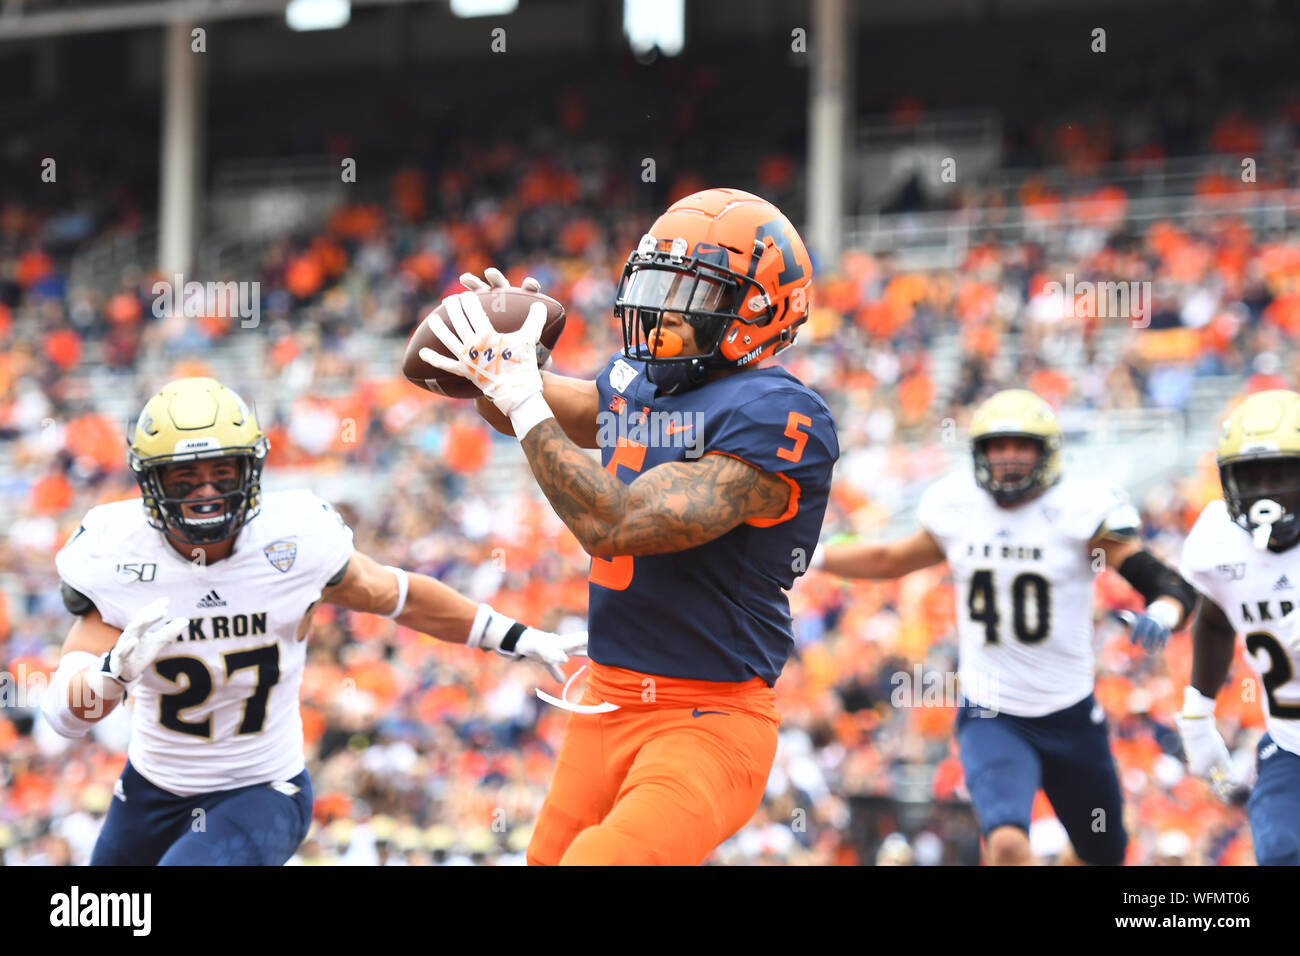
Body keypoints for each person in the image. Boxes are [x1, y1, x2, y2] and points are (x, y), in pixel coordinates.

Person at [421, 187, 839, 865]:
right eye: (661, 283)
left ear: (757, 313)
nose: (665, 308)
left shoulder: (775, 415)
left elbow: (613, 523)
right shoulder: (641, 384)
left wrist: (521, 394)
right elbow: (519, 409)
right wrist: (500, 361)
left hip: (707, 720)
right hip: (608, 704)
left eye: (694, 294)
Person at [41, 376, 583, 866]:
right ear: (152, 481)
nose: (206, 492)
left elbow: (397, 595)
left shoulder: (291, 540)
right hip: (151, 788)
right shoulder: (118, 553)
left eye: (221, 472)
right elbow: (64, 717)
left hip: (262, 789)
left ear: (250, 470)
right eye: (186, 477)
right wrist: (108, 677)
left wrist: (514, 635)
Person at [813, 388, 1196, 865]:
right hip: (993, 714)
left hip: (1069, 714)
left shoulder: (1078, 509)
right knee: (1008, 843)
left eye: (1022, 445)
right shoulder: (958, 506)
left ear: (1046, 452)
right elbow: (891, 557)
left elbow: (1160, 579)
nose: (1009, 457)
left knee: (1104, 852)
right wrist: (817, 555)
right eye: (998, 446)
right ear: (980, 453)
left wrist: (1164, 612)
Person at [1177, 389, 1300, 864]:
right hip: (1291, 744)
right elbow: (1212, 619)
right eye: (1252, 476)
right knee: (1279, 852)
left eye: (1282, 474)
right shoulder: (1218, 541)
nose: (1265, 491)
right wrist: (1197, 714)